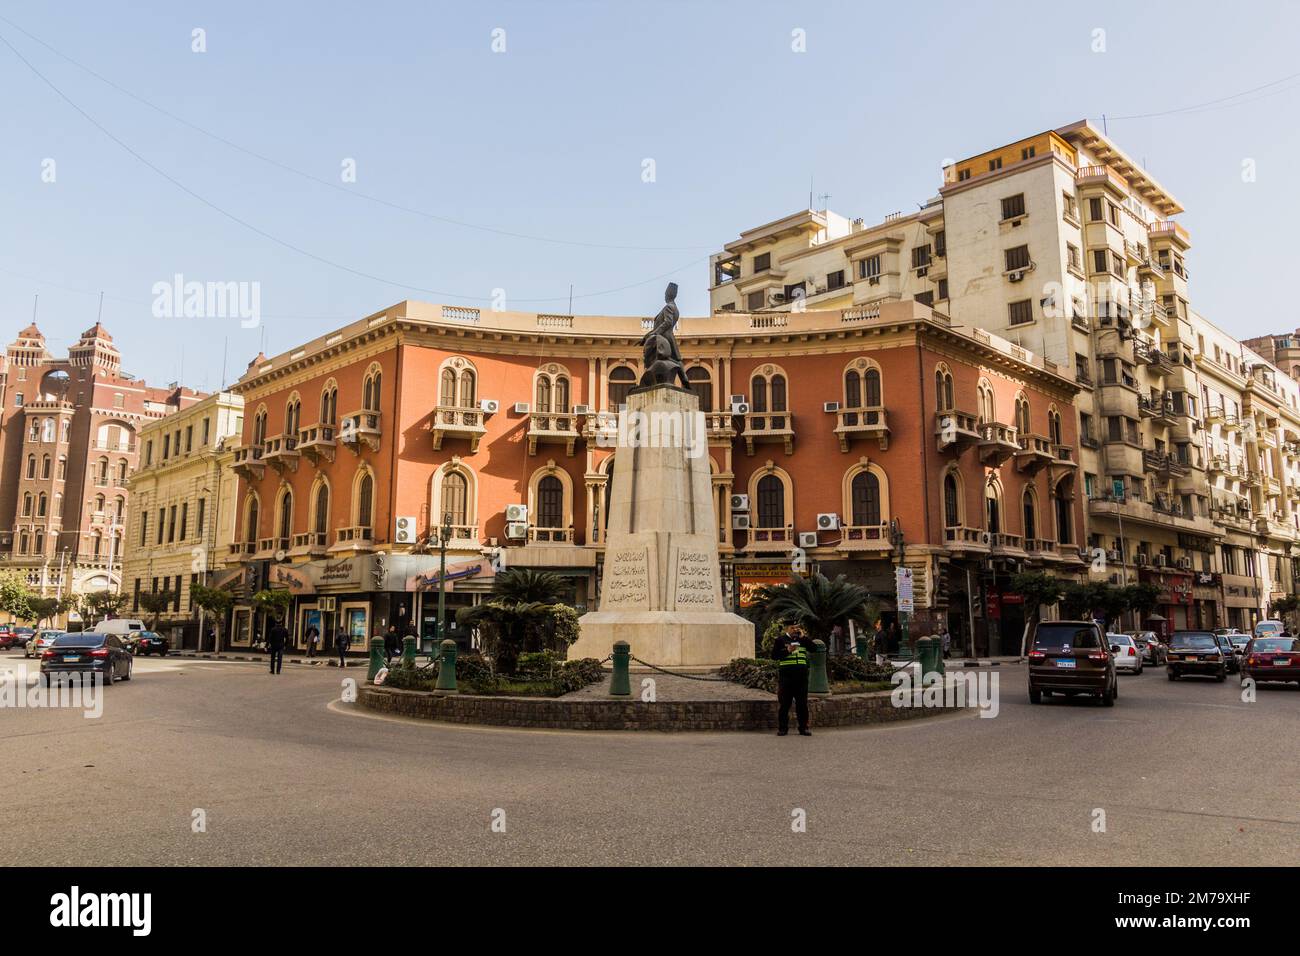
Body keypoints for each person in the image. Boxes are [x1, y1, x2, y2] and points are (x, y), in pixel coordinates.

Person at [771, 624, 812, 737]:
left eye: (797, 628)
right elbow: (774, 656)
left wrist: (804, 637)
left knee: (802, 703)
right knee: (784, 703)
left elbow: (814, 648)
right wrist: (787, 650)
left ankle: (804, 728)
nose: (795, 630)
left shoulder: (802, 639)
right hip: (786, 676)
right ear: (787, 628)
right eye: (792, 628)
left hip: (801, 676)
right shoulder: (780, 640)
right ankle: (783, 728)